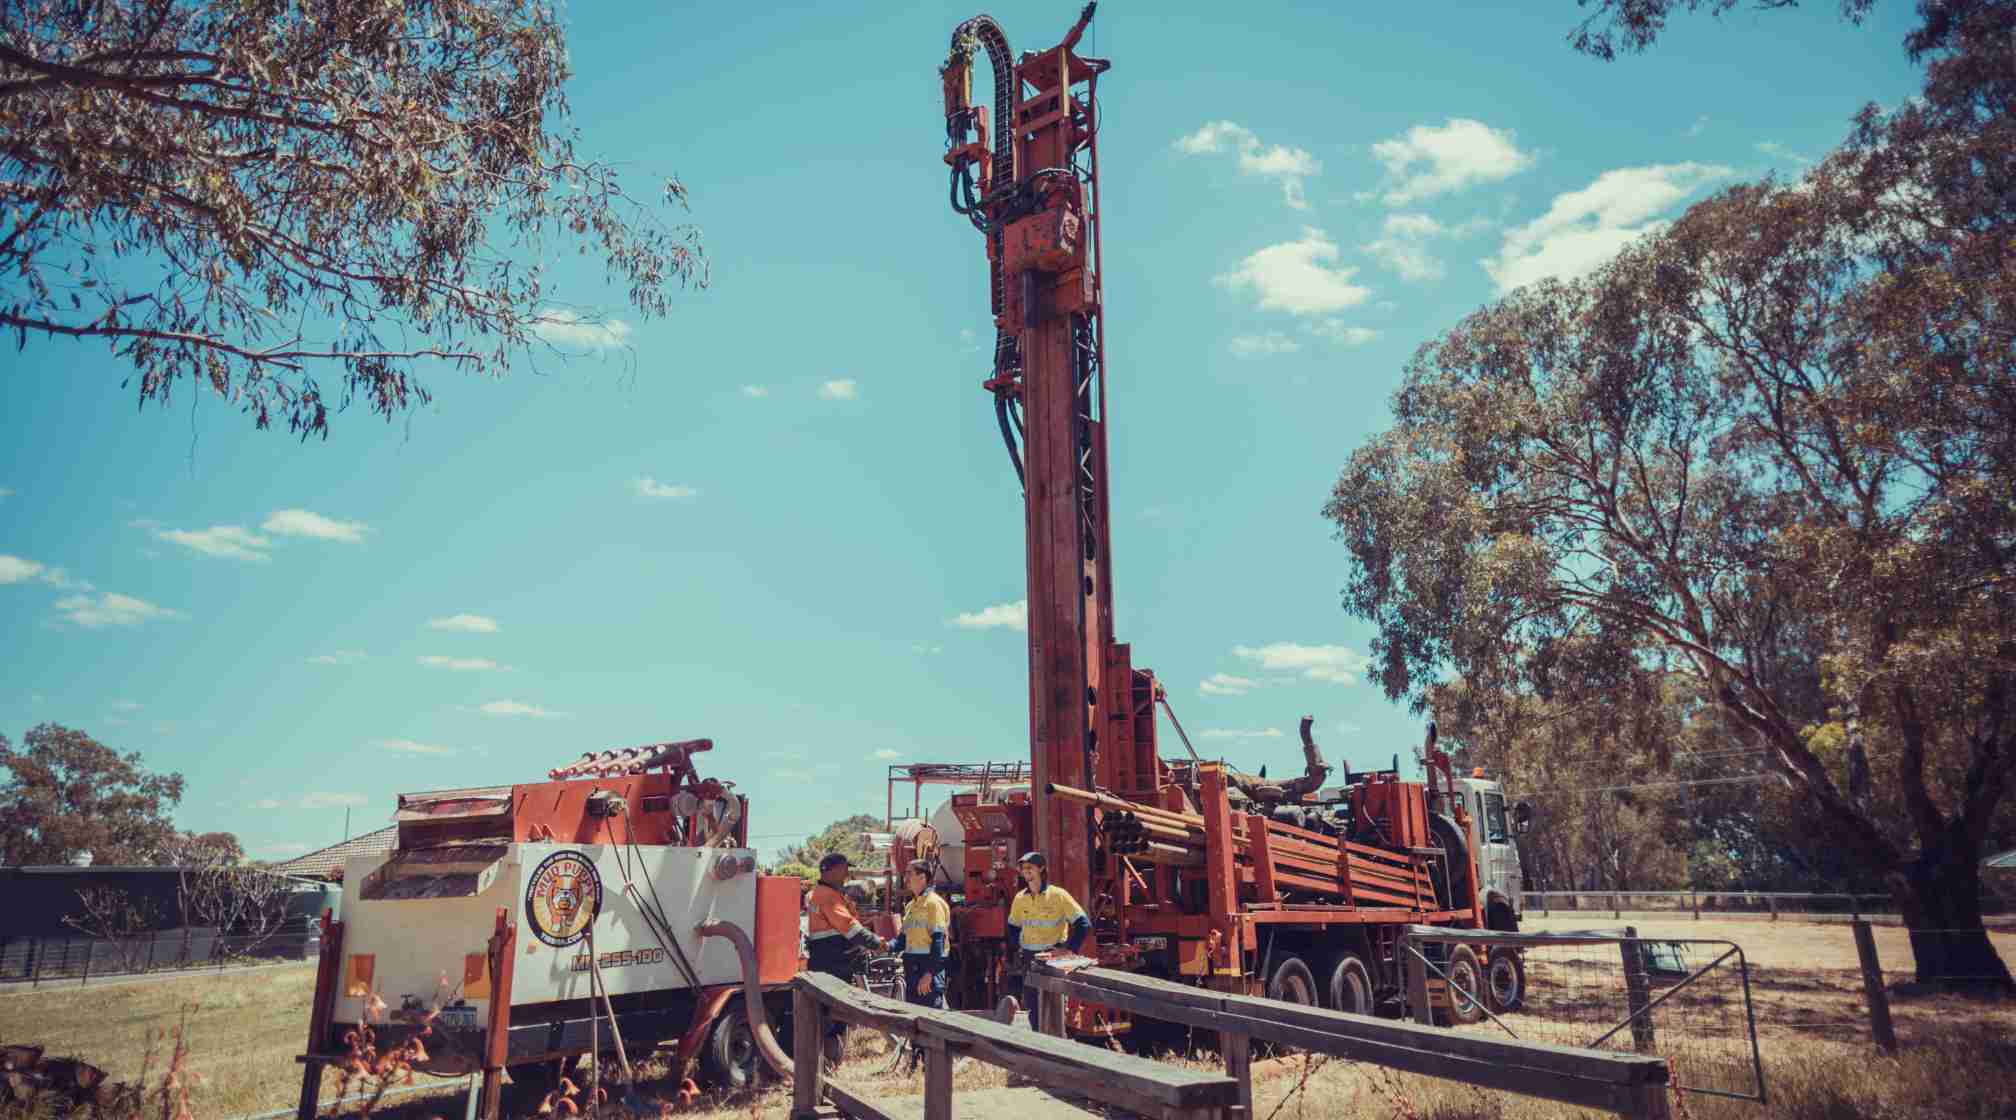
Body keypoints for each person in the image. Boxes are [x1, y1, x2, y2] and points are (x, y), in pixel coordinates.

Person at [805, 851, 880, 1063]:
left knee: (828, 1013)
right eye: (845, 868)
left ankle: (825, 1062)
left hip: (827, 961)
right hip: (834, 963)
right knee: (834, 1015)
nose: (848, 873)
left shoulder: (820, 893)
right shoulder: (827, 896)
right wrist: (877, 943)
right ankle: (830, 1063)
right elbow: (850, 929)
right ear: (834, 870)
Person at [1004, 850, 1089, 1034]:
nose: (1025, 870)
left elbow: (1083, 924)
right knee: (1034, 1007)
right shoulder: (1020, 898)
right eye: (1023, 867)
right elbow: (1012, 926)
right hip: (1029, 959)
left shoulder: (1059, 895)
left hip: (1053, 959)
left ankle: (1058, 1048)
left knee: (1056, 1008)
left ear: (1041, 868)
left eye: (1030, 867)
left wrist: (1068, 950)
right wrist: (1018, 946)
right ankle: (1039, 1047)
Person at [883, 858, 951, 1072]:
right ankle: (918, 1061)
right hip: (913, 967)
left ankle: (934, 1066)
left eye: (910, 874)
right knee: (916, 1018)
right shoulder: (912, 906)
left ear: (923, 877)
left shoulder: (934, 903)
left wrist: (929, 974)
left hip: (926, 969)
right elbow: (902, 940)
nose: (906, 878)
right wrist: (883, 945)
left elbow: (939, 943)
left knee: (931, 1017)